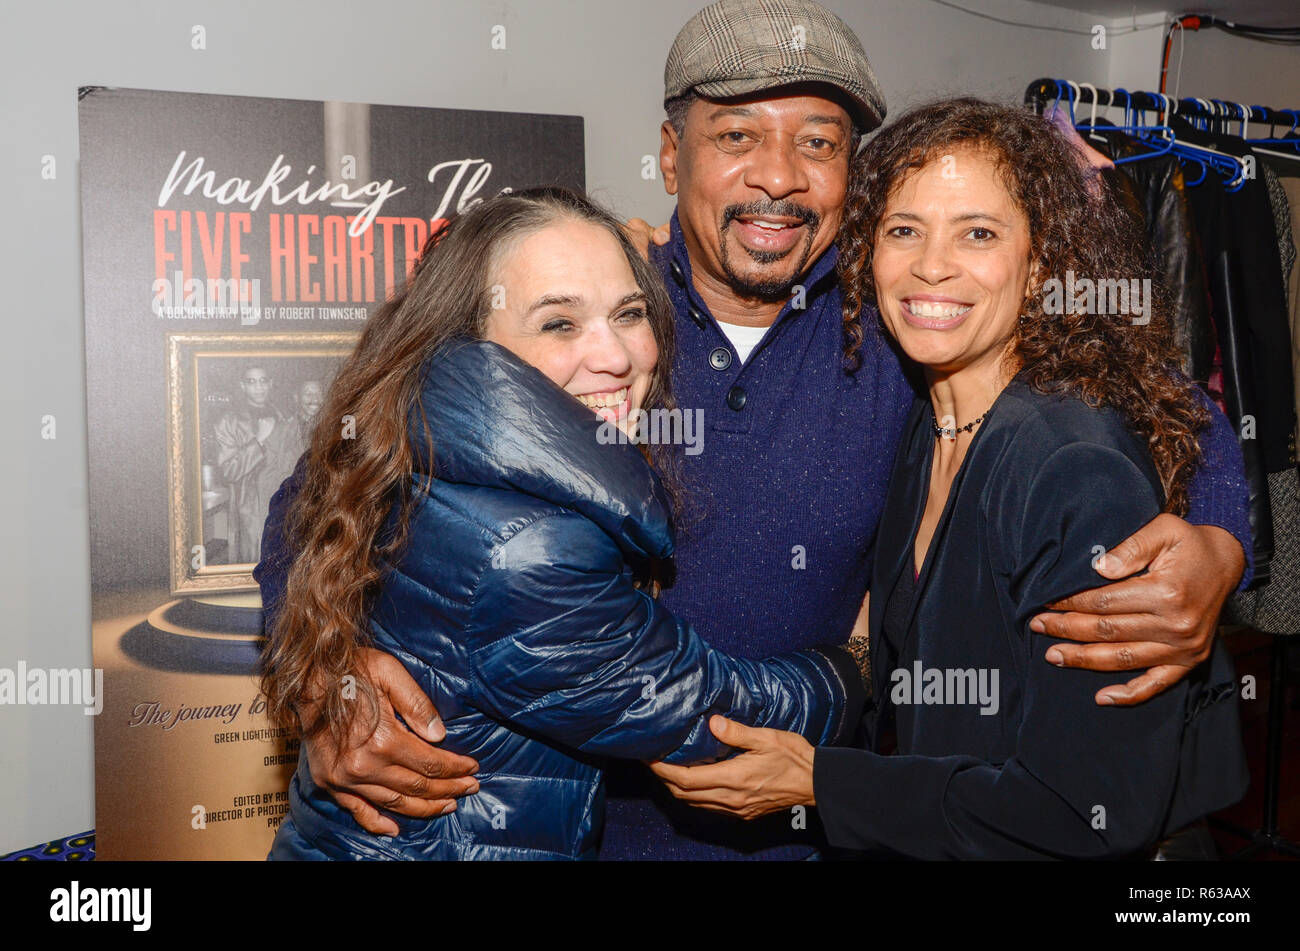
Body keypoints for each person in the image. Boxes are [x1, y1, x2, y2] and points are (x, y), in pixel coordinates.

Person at [258, 0, 1252, 860]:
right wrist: (323, 667)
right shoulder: (596, 329)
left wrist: (1216, 545)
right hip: (588, 838)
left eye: (817, 142)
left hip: (822, 833)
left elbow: (1161, 400)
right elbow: (331, 487)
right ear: (668, 154)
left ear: (850, 174)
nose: (779, 176)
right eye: (736, 135)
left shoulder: (904, 320)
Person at [649, 99, 1250, 859]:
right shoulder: (918, 408)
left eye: (978, 232)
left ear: (1043, 263)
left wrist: (1220, 545)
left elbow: (1084, 810)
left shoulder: (1070, 467)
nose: (933, 264)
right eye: (904, 229)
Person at [258, 187, 866, 860]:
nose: (614, 355)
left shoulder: (414, 430)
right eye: (558, 324)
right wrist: (857, 664)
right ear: (469, 337)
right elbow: (721, 716)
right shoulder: (531, 550)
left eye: (629, 314)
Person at [214, 365, 298, 563]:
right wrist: (258, 440)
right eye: (251, 382)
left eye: (263, 381)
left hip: (285, 503)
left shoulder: (285, 417)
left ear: (270, 384)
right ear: (242, 386)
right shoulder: (228, 421)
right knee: (255, 562)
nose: (258, 387)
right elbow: (227, 471)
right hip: (251, 508)